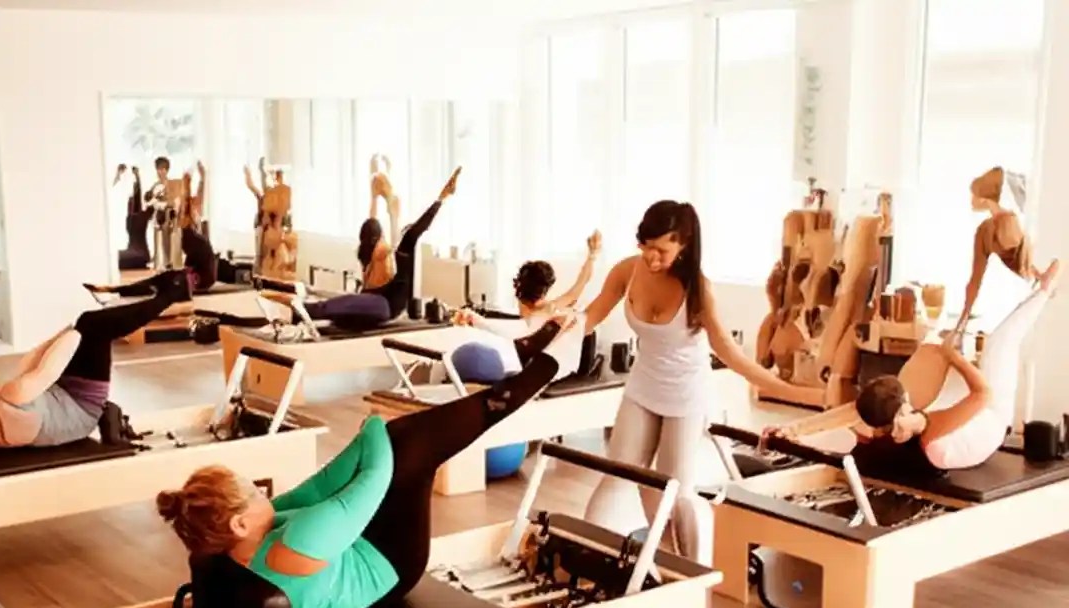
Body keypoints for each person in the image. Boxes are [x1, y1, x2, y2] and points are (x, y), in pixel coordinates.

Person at [156, 320, 569, 608]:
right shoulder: (294, 544)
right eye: (254, 492)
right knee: (407, 447)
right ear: (240, 521)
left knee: (404, 443)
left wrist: (371, 438)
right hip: (391, 563)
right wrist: (375, 425)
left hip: (353, 550)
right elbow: (369, 484)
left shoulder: (242, 541)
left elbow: (321, 486)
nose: (265, 494)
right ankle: (540, 372)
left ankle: (534, 373)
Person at [573, 200, 820, 561]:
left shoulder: (698, 290)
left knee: (678, 489)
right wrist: (553, 332)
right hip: (643, 386)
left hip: (686, 394)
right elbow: (591, 314)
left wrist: (790, 391)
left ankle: (691, 572)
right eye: (646, 246)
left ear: (684, 245)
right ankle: (586, 552)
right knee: (619, 473)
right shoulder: (628, 270)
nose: (652, 258)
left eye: (663, 250)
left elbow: (728, 352)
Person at [842, 260, 1058, 473]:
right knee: (999, 344)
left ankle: (1037, 294)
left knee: (940, 359)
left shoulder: (888, 429)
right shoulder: (930, 434)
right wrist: (953, 356)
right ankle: (1045, 290)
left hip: (944, 428)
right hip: (992, 417)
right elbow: (984, 394)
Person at [0, 270, 191, 448]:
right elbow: (48, 371)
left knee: (88, 323)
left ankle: (160, 297)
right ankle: (168, 297)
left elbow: (30, 363)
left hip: (65, 401)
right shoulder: (10, 396)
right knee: (93, 324)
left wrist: (68, 330)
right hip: (82, 405)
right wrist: (74, 331)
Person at [257, 164, 461, 331]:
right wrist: (440, 198)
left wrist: (377, 198)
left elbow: (398, 226)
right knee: (332, 311)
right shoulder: (380, 252)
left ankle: (287, 311)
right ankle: (286, 312)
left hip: (381, 307)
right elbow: (397, 226)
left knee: (325, 308)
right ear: (378, 236)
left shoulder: (374, 253)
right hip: (377, 306)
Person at [451, 231, 602, 380]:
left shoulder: (533, 324)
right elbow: (581, 282)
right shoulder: (552, 308)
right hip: (562, 362)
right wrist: (592, 256)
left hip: (554, 368)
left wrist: (473, 318)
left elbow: (503, 328)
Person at [87, 162, 221, 299]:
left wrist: (195, 179)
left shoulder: (186, 223)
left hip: (200, 273)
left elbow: (188, 200)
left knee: (159, 283)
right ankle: (121, 290)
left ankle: (121, 290)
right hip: (199, 269)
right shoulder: (184, 226)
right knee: (159, 281)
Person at [956, 166, 1044, 338]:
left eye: (973, 194)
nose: (971, 200)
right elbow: (975, 280)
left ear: (983, 197)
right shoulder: (998, 227)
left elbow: (977, 281)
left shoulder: (994, 228)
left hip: (1012, 317)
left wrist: (961, 324)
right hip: (1013, 318)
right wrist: (962, 323)